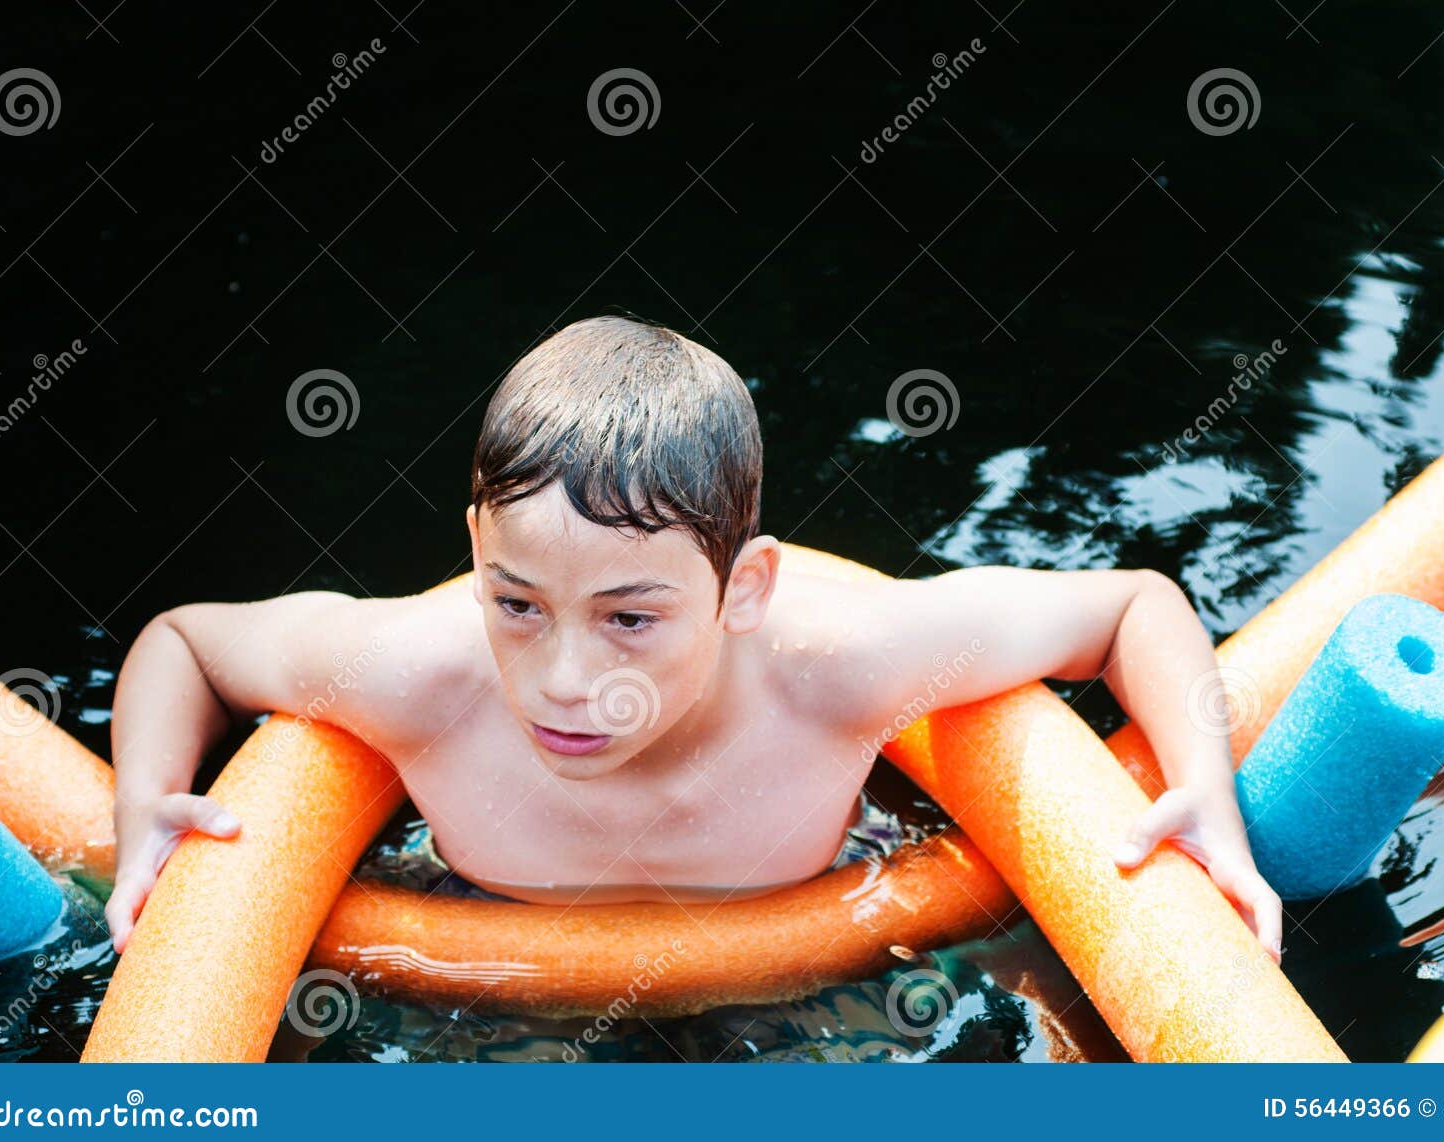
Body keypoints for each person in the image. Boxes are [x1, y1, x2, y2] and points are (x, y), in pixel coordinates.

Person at [104, 315, 1283, 962]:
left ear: (745, 589)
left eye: (629, 618)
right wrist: (147, 800)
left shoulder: (847, 662)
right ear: (473, 554)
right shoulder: (419, 675)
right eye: (517, 602)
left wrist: (1206, 799)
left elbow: (1133, 605)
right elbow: (184, 644)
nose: (563, 681)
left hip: (828, 1001)